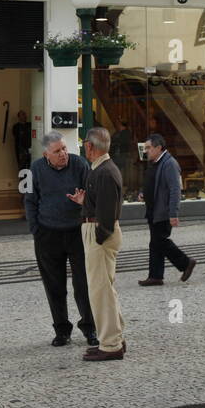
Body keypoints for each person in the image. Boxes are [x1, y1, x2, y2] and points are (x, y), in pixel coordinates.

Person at [26, 132, 97, 348]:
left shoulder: (80, 165)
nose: (63, 154)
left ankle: (89, 328)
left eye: (65, 148)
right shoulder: (35, 169)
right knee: (54, 286)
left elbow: (92, 196)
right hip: (48, 234)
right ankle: (62, 330)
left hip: (77, 233)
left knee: (83, 284)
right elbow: (30, 201)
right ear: (46, 153)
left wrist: (84, 205)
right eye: (57, 151)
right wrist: (36, 230)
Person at [67, 126, 125, 362]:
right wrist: (85, 202)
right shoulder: (102, 169)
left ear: (90, 147)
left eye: (84, 145)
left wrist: (98, 236)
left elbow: (108, 215)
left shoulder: (104, 172)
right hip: (96, 230)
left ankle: (111, 345)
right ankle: (113, 338)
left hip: (99, 234)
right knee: (105, 290)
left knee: (101, 292)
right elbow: (102, 202)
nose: (83, 148)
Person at [137, 133, 197, 285]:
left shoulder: (170, 164)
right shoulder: (154, 162)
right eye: (145, 148)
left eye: (149, 148)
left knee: (160, 241)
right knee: (155, 243)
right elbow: (151, 183)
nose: (146, 151)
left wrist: (173, 213)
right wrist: (143, 193)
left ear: (158, 148)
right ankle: (155, 276)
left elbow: (175, 190)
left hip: (162, 212)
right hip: (152, 210)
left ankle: (185, 263)